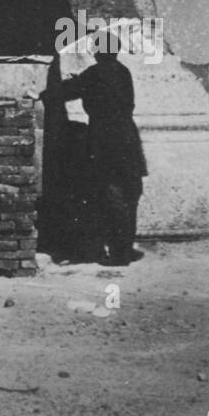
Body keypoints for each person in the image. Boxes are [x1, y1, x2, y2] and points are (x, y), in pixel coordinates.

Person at [52, 44, 148, 266]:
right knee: (130, 195)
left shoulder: (95, 73)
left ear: (99, 53)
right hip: (128, 138)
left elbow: (68, 91)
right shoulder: (123, 71)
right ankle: (125, 248)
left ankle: (118, 254)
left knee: (110, 194)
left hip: (104, 139)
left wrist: (43, 92)